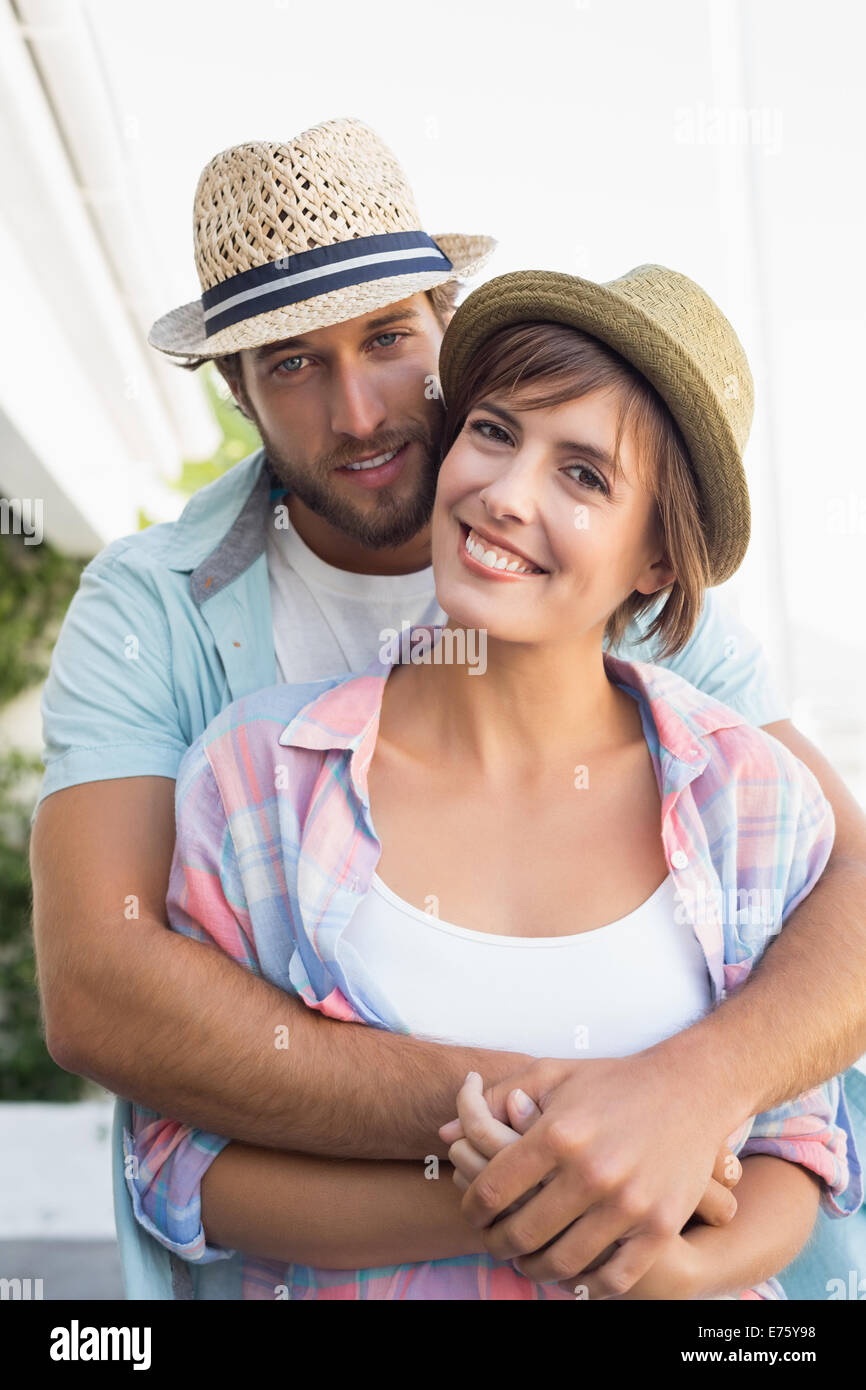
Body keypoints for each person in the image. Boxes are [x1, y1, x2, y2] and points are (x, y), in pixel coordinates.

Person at [28, 117, 866, 1299]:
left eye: (385, 340)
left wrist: (689, 1092)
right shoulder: (185, 658)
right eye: (292, 362)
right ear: (236, 389)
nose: (361, 412)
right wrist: (551, 1133)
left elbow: (837, 887)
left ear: (445, 324)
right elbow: (106, 992)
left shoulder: (657, 659)